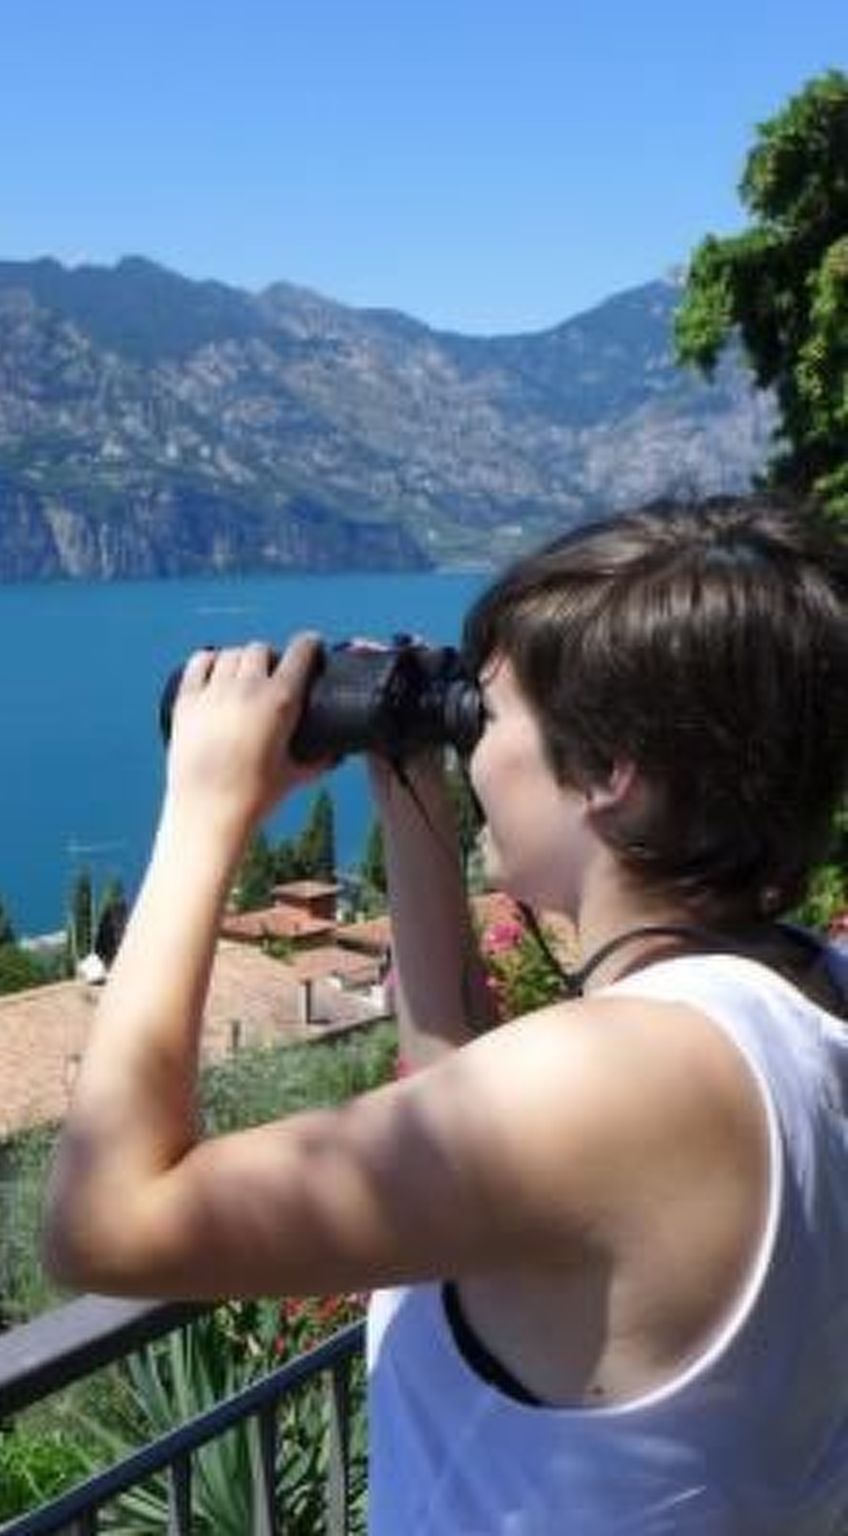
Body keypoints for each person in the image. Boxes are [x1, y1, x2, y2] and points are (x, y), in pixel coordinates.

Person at [42, 496, 848, 1532]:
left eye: (487, 713)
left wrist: (203, 811)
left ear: (607, 773)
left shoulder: (619, 1080)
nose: (470, 743)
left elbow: (101, 1223)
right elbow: (458, 1100)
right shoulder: (805, 995)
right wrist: (408, 790)